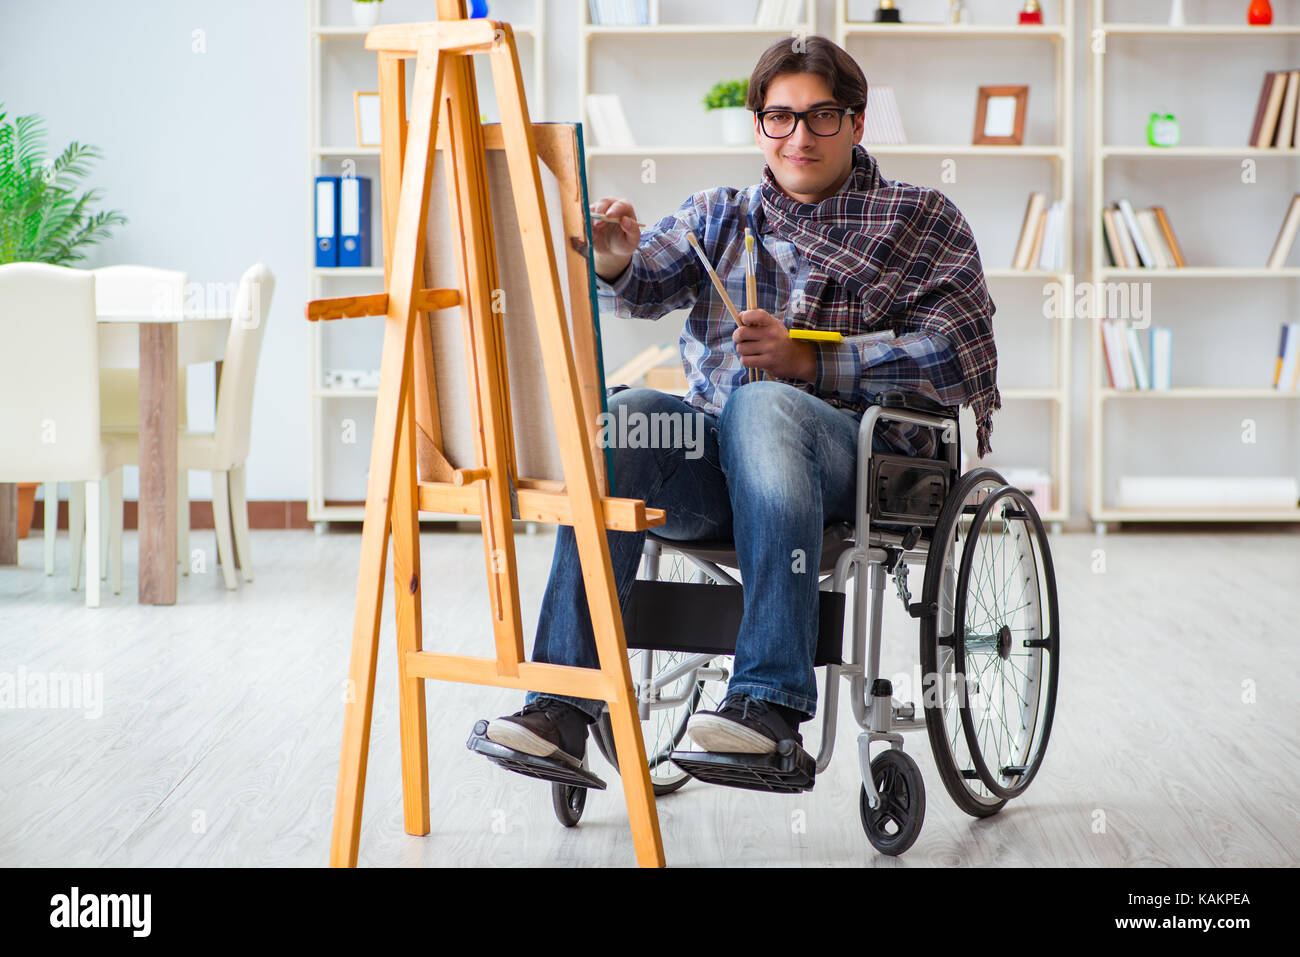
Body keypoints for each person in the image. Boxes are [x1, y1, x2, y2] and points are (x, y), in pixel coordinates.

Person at [478, 34, 999, 773]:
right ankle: (563, 703)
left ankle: (768, 706)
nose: (799, 136)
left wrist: (812, 361)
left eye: (822, 116)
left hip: (851, 466)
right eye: (780, 117)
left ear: (857, 121)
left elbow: (958, 353)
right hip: (723, 471)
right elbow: (643, 277)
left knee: (765, 405)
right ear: (757, 125)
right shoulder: (720, 215)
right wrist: (614, 252)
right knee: (627, 412)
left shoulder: (920, 219)